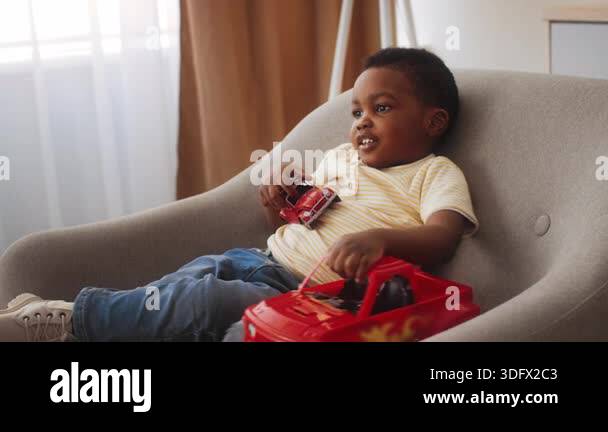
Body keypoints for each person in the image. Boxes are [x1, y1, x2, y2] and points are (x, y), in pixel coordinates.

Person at [0, 48, 478, 342]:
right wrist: (281, 208)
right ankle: (91, 327)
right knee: (181, 285)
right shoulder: (340, 158)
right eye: (356, 112)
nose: (361, 122)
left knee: (206, 302)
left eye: (382, 107)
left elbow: (442, 238)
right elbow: (305, 224)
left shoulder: (434, 173)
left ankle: (67, 322)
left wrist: (381, 239)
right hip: (258, 259)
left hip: (308, 296)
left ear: (432, 122)